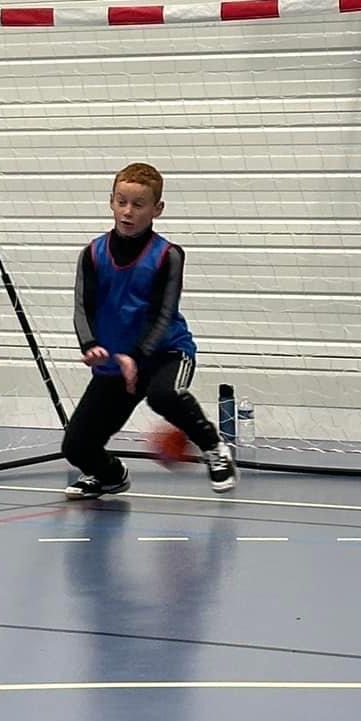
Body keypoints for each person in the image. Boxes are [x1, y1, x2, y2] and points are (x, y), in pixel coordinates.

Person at [62, 161, 235, 501]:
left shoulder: (168, 256)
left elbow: (163, 314)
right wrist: (90, 344)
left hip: (165, 352)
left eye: (138, 204)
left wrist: (136, 356)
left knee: (163, 395)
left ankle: (214, 447)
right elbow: (82, 307)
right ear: (111, 202)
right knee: (76, 446)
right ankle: (109, 475)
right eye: (121, 202)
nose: (128, 211)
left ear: (157, 209)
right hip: (118, 362)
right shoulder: (92, 254)